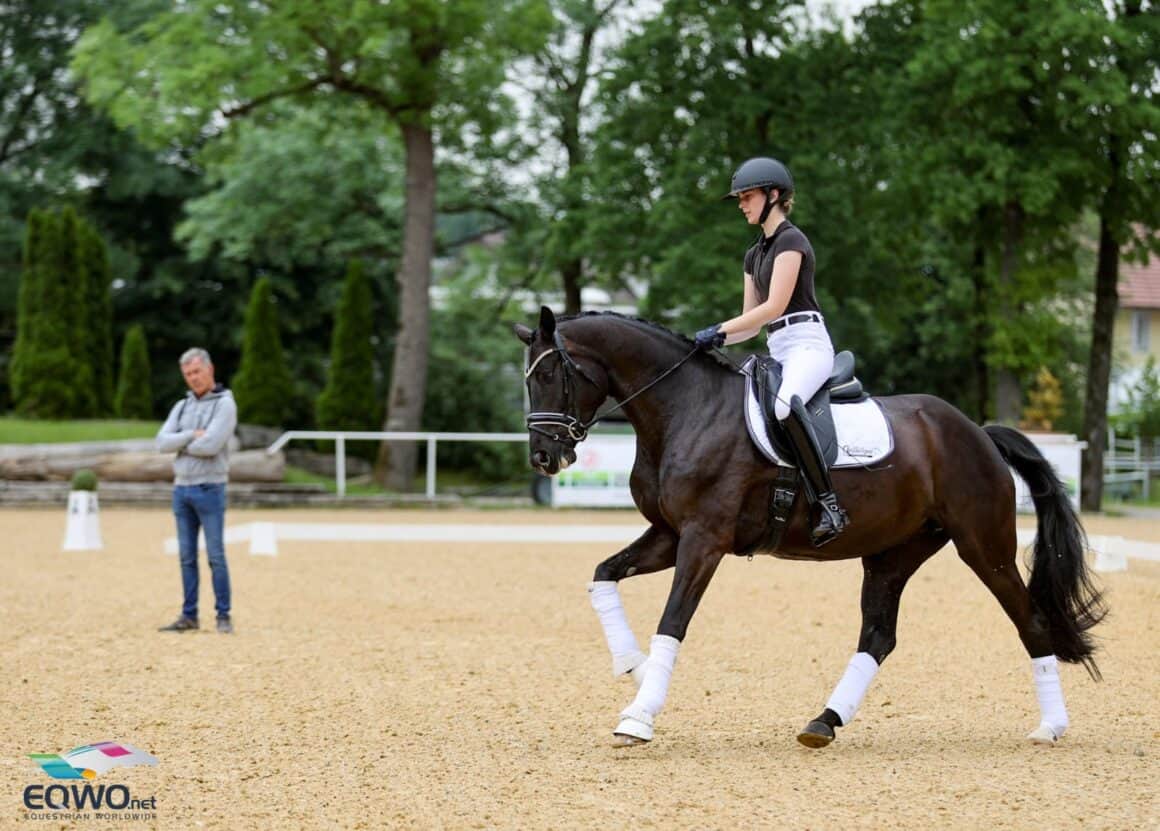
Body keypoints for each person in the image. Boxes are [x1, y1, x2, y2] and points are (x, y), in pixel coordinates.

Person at [692, 156, 849, 546]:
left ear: (774, 195)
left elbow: (775, 306)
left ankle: (828, 502)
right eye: (740, 198)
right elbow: (752, 322)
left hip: (807, 344)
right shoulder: (753, 255)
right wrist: (706, 343)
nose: (742, 204)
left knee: (783, 406)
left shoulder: (792, 241)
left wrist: (718, 328)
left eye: (747, 196)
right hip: (775, 347)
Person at [156, 348, 238, 633]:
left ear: (210, 369)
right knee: (186, 557)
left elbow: (212, 444)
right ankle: (189, 615)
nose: (193, 378)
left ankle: (223, 616)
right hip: (182, 490)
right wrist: (191, 435)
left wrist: (180, 443)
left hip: (210, 488)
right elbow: (161, 442)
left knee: (215, 555)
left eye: (197, 372)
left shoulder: (225, 405)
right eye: (188, 374)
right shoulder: (182, 406)